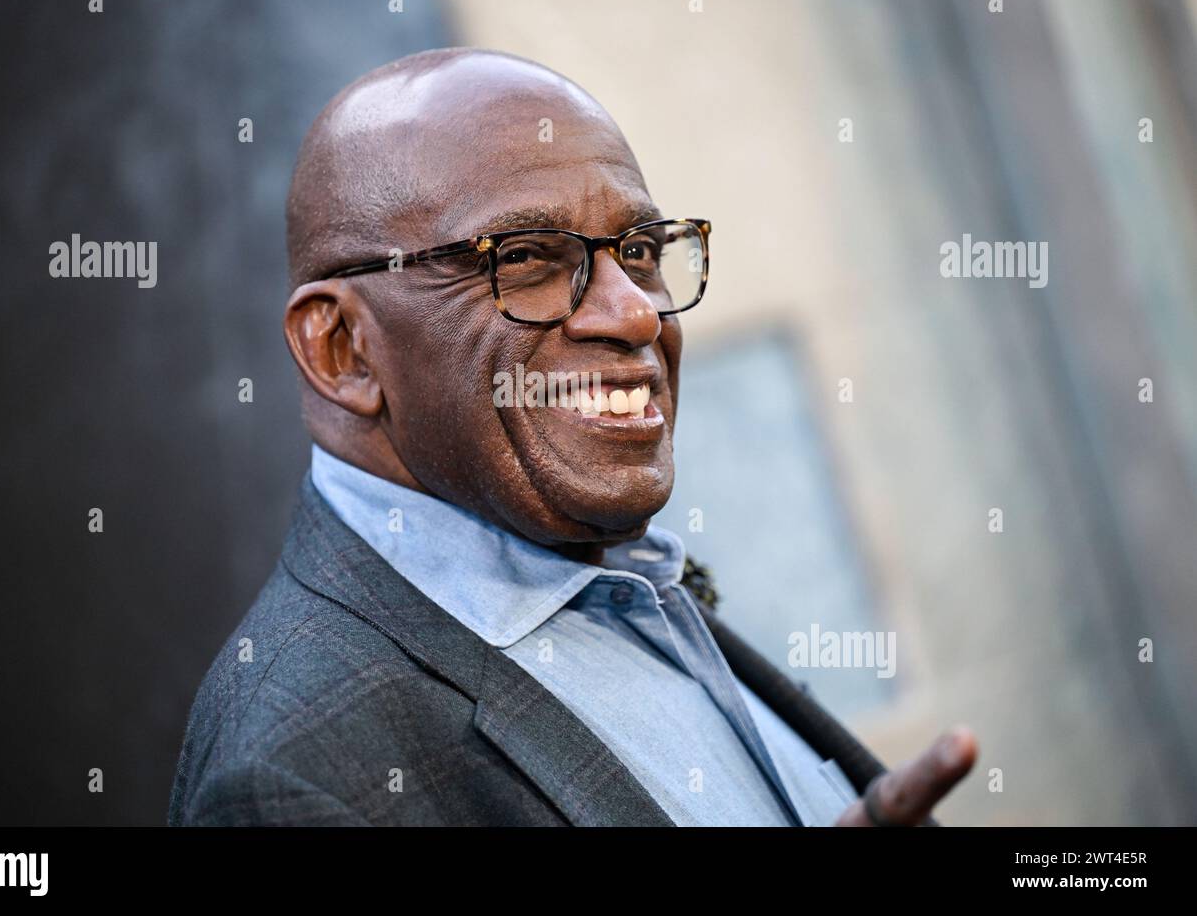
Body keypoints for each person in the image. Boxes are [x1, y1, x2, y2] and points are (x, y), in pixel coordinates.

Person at [169, 47, 976, 826]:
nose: (634, 313)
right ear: (341, 349)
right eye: (523, 258)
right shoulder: (291, 777)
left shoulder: (624, 580)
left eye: (640, 251)